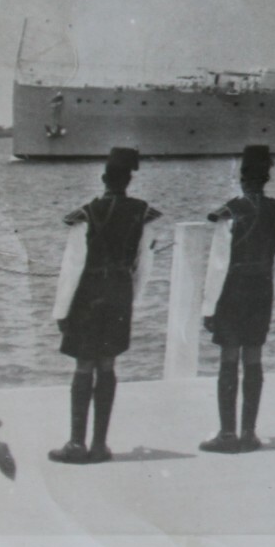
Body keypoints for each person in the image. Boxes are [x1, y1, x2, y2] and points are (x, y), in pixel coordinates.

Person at [50, 147, 160, 464]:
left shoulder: (86, 215)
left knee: (84, 365)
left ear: (103, 179)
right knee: (108, 365)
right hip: (120, 294)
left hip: (88, 295)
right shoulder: (143, 213)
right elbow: (144, 264)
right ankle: (100, 445)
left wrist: (61, 311)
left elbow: (72, 267)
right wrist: (130, 298)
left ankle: (75, 444)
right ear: (128, 180)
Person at [199, 145, 275, 454]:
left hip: (232, 290)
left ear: (242, 177)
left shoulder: (230, 212)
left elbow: (218, 265)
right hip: (262, 290)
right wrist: (269, 292)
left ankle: (227, 435)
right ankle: (249, 433)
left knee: (229, 358)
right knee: (254, 358)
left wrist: (208, 307)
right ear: (266, 177)